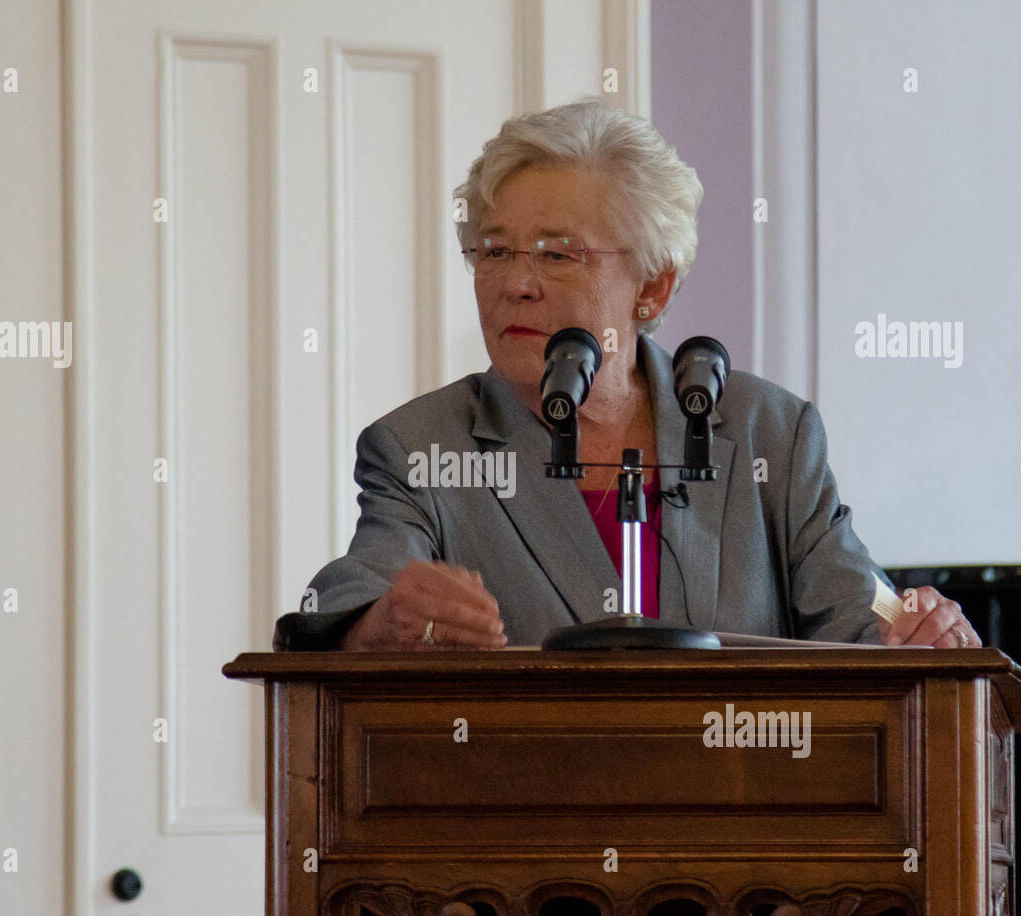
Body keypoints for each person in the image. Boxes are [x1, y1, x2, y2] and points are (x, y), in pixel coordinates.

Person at [273, 98, 980, 654]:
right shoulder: (418, 446)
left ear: (654, 289)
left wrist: (921, 633)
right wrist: (382, 623)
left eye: (557, 255)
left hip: (742, 819)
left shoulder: (772, 434)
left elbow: (868, 629)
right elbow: (347, 606)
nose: (515, 283)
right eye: (493, 252)